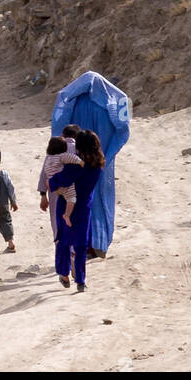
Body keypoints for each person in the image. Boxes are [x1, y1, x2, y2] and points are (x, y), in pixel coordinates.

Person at [52, 73, 130, 258]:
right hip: (102, 163)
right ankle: (100, 244)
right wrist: (108, 156)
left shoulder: (71, 101)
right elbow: (124, 130)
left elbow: (58, 128)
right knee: (102, 200)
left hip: (77, 164)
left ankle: (80, 246)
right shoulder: (114, 102)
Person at [49, 129, 106, 293]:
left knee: (64, 241)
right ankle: (81, 280)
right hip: (84, 207)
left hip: (65, 204)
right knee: (81, 243)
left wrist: (51, 181)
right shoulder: (98, 165)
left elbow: (58, 182)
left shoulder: (75, 166)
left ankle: (64, 274)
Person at [38, 134, 80, 235]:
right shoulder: (79, 150)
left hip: (55, 194)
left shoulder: (52, 154)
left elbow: (44, 175)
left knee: (56, 222)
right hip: (74, 193)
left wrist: (43, 195)